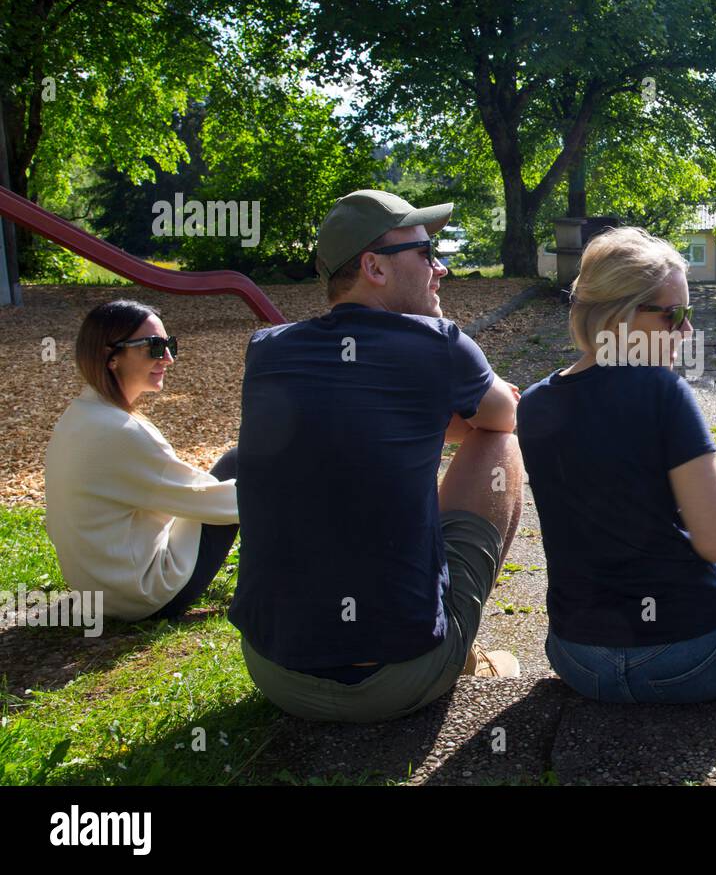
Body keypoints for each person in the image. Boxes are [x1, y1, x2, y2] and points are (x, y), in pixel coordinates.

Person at [229, 189, 525, 723]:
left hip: (273, 670)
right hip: (391, 682)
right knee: (499, 444)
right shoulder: (439, 343)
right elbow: (503, 416)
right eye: (426, 252)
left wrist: (416, 420)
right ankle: (455, 651)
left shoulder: (266, 348)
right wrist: (447, 405)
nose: (441, 269)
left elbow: (349, 421)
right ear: (374, 267)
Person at [517, 227, 716, 703]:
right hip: (697, 656)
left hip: (579, 659)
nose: (688, 331)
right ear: (620, 315)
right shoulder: (663, 392)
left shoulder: (533, 403)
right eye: (675, 316)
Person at [44, 300, 239, 621]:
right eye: (154, 347)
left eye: (169, 345)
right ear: (112, 357)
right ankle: (292, 572)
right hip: (145, 596)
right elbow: (214, 503)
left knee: (238, 471)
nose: (169, 358)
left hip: (100, 589)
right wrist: (286, 494)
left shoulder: (79, 415)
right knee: (242, 463)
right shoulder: (121, 432)